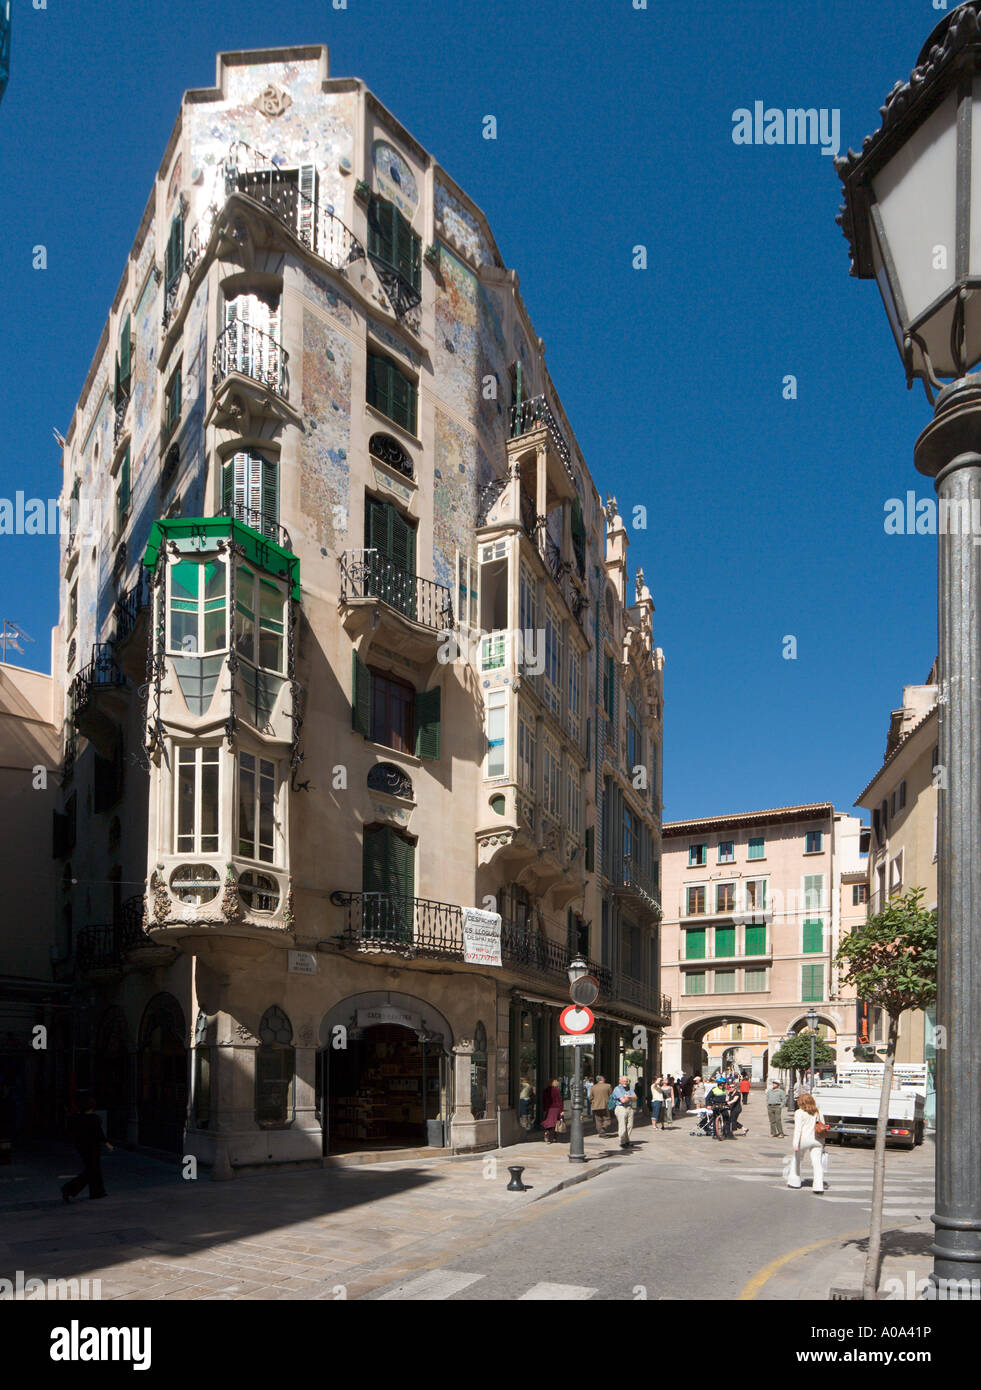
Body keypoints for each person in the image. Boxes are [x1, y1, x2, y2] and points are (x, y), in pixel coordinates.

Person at [61, 1093, 112, 1202]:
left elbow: (71, 1132)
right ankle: (69, 1189)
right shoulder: (94, 1119)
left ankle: (96, 1192)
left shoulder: (75, 1119)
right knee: (93, 1170)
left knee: (92, 1169)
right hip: (93, 1147)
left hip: (81, 1147)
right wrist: (107, 1143)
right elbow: (99, 1133)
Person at [787, 1092, 826, 1193]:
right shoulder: (818, 1112)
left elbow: (798, 1130)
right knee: (817, 1163)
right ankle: (818, 1186)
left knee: (797, 1160)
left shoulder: (799, 1113)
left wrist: (795, 1144)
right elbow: (823, 1127)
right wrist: (823, 1143)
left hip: (804, 1140)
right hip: (817, 1140)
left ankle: (795, 1181)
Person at [611, 1075, 637, 1148]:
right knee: (622, 1125)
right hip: (621, 1108)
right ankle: (622, 1142)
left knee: (630, 1125)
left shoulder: (629, 1088)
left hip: (629, 1108)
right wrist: (630, 1097)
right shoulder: (617, 1089)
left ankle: (627, 1140)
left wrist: (628, 1097)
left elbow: (635, 1097)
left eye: (626, 1081)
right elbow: (623, 1100)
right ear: (620, 1081)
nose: (626, 1082)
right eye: (624, 1081)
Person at [542, 1079, 563, 1143]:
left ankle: (546, 1133)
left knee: (549, 1122)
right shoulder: (557, 1090)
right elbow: (559, 1101)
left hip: (549, 1109)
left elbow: (544, 1101)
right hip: (556, 1108)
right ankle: (555, 1138)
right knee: (556, 1123)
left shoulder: (545, 1090)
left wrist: (545, 1109)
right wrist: (561, 1110)